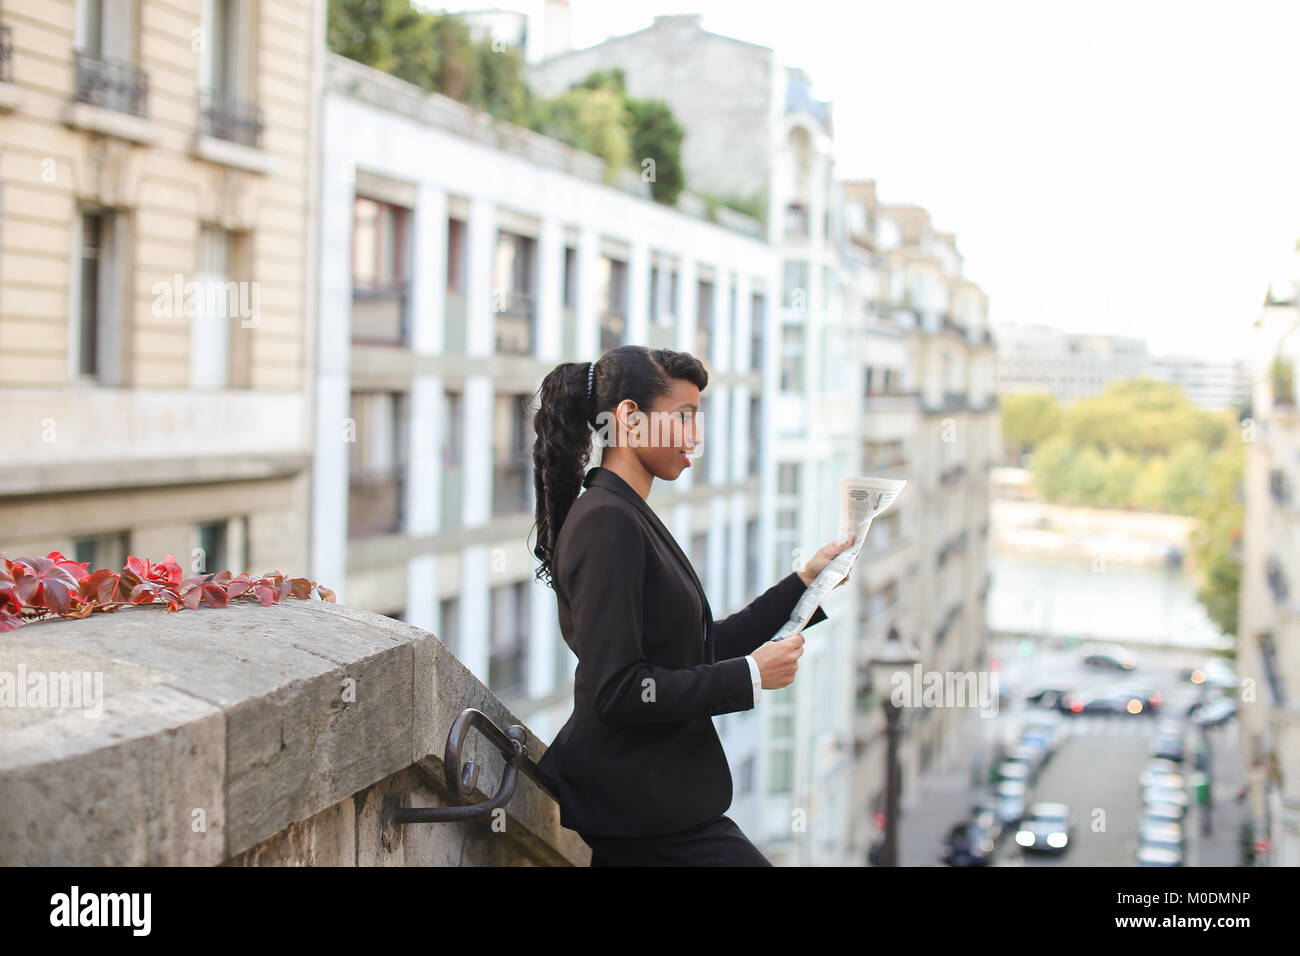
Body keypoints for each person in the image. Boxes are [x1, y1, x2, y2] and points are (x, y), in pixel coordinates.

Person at [528, 346, 854, 866]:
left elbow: (696, 647)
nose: (694, 439)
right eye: (684, 418)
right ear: (630, 419)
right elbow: (618, 689)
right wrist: (749, 676)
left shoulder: (627, 513)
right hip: (644, 812)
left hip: (660, 809)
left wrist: (806, 582)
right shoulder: (606, 520)